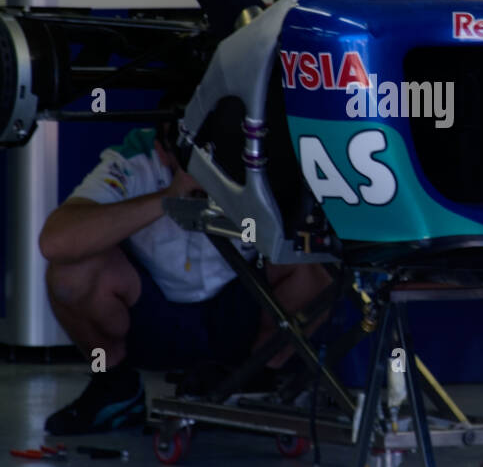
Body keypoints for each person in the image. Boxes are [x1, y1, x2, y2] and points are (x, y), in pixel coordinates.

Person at [38, 115, 332, 436]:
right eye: (190, 154)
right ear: (162, 149)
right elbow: (55, 241)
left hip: (240, 318)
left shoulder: (263, 160)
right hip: (152, 320)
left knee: (313, 268)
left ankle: (258, 380)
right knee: (70, 273)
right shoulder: (134, 159)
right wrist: (165, 200)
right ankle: (113, 383)